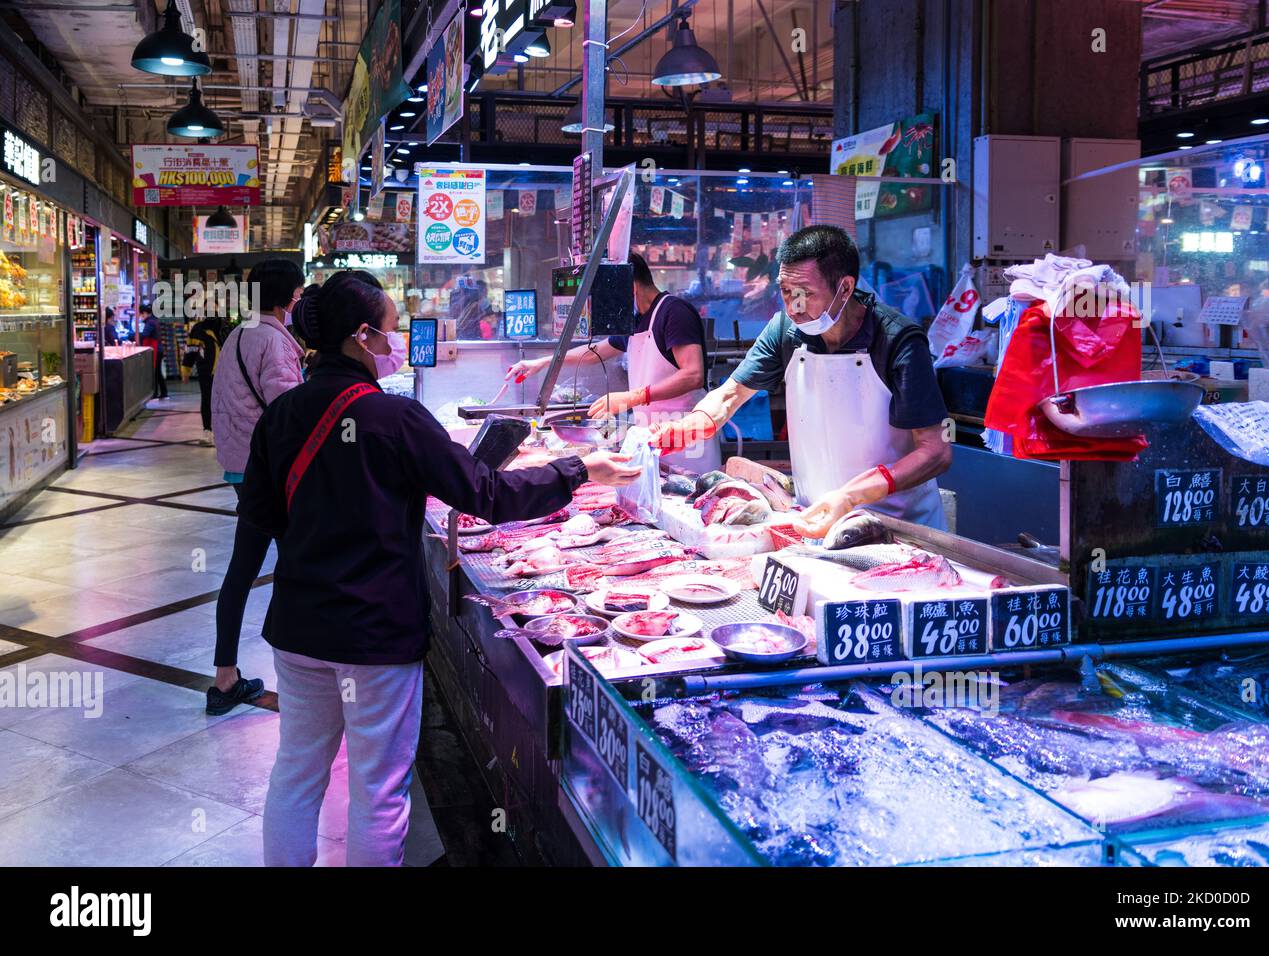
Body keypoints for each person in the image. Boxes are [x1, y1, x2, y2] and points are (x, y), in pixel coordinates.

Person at [239, 271, 639, 866]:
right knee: (378, 791)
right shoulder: (394, 418)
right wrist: (578, 470)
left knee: (296, 773)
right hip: (374, 634)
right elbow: (489, 494)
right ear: (363, 336)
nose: (395, 345)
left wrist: (321, 542)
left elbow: (260, 511)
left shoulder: (283, 414)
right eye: (391, 332)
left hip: (299, 626)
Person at [649, 225, 952, 534]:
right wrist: (686, 426)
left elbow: (936, 451)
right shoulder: (785, 331)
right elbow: (729, 396)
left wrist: (852, 496)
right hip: (815, 520)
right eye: (786, 291)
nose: (794, 307)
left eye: (806, 294)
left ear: (845, 288)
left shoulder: (898, 340)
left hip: (896, 528)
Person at [506, 252, 720, 471]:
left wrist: (632, 397)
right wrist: (544, 362)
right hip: (654, 437)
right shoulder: (635, 320)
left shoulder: (674, 312)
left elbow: (693, 375)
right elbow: (594, 352)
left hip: (688, 441)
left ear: (631, 287)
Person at [208, 258, 305, 715]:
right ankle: (305, 673)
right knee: (298, 565)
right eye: (299, 293)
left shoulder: (239, 333)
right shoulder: (273, 341)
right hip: (268, 472)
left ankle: (225, 678)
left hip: (239, 467)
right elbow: (288, 415)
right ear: (289, 298)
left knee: (242, 569)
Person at [186, 312, 227, 446]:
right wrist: (186, 367)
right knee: (207, 399)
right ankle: (207, 430)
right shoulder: (198, 328)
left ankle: (223, 431)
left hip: (226, 372)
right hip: (206, 371)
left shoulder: (225, 327)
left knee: (225, 401)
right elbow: (191, 349)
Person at [139, 303, 168, 399]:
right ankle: (163, 392)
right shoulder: (153, 320)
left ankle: (155, 393)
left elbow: (145, 334)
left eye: (140, 314)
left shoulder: (150, 322)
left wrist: (134, 335)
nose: (140, 317)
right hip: (158, 349)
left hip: (156, 350)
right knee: (157, 372)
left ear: (144, 313)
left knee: (155, 372)